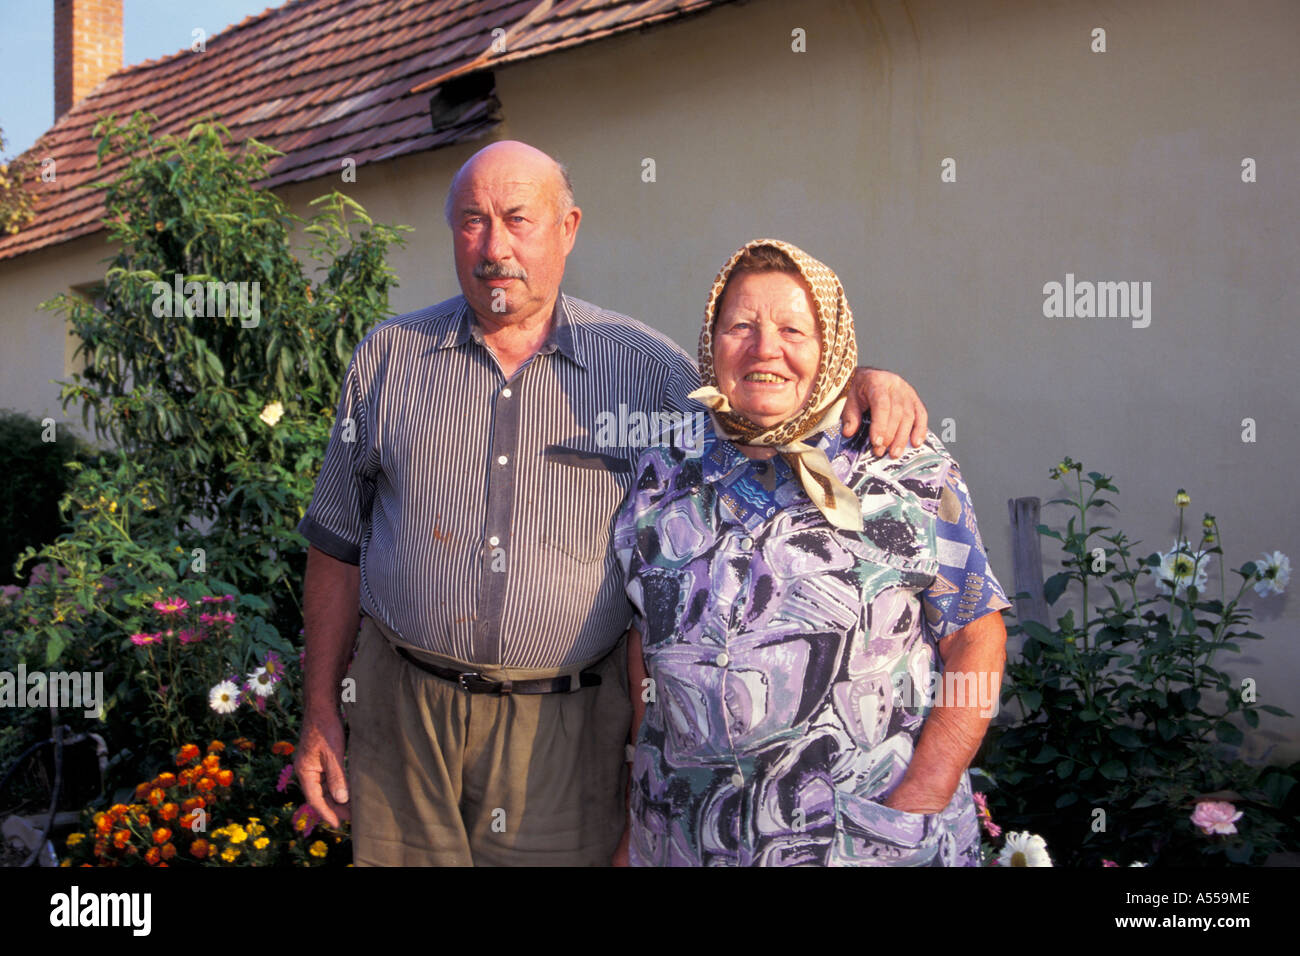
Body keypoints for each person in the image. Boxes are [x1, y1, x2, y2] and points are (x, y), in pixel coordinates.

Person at [293, 142, 933, 866]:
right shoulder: (388, 358)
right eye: (472, 221)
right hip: (402, 718)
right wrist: (320, 709)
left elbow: (760, 397)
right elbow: (335, 547)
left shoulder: (645, 369)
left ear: (568, 228)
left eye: (518, 220)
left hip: (563, 736)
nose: (494, 246)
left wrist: (866, 381)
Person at [613, 238, 1010, 866]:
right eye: (740, 325)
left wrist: (925, 793)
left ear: (831, 350)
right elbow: (647, 646)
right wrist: (645, 814)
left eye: (793, 329)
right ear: (711, 344)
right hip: (694, 843)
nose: (764, 348)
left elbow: (976, 636)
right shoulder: (664, 473)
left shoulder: (904, 463)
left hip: (866, 843)